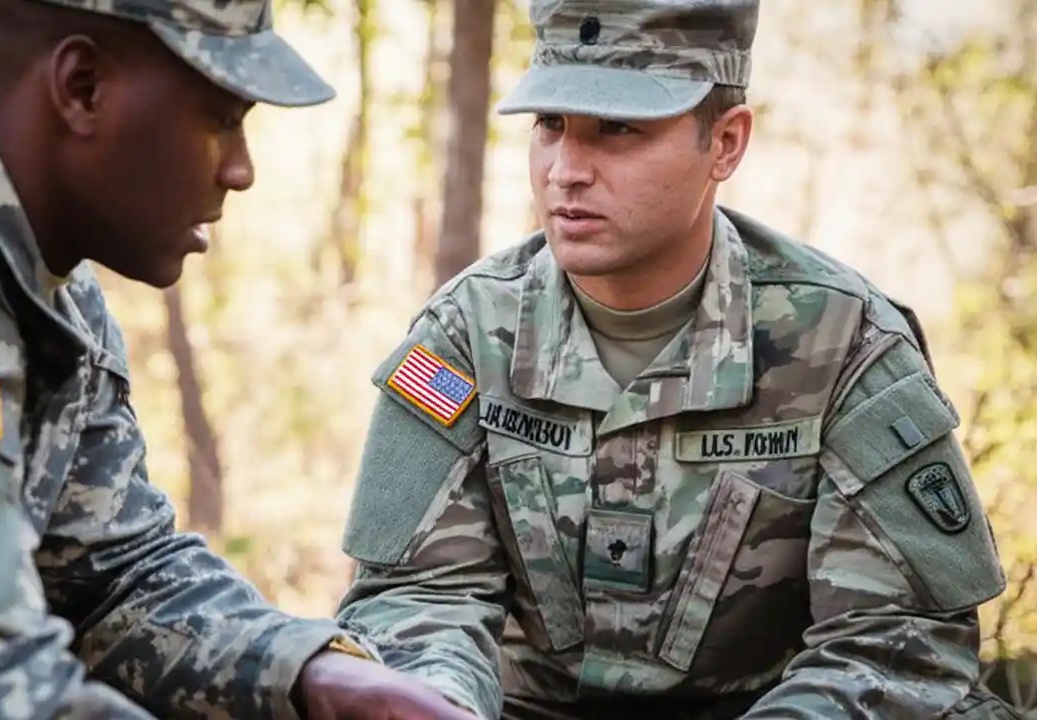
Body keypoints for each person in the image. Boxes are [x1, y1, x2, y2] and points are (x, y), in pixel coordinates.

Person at [0, 1, 477, 718]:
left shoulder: (51, 294)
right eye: (222, 118)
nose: (241, 170)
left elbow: (111, 577)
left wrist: (318, 677)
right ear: (82, 88)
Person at [334, 1, 1020, 718]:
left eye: (618, 130)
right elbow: (417, 596)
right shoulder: (464, 334)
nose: (567, 170)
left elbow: (896, 639)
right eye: (550, 126)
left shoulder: (842, 339)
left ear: (724, 143)